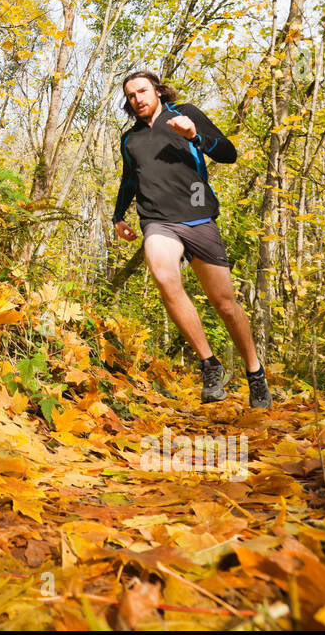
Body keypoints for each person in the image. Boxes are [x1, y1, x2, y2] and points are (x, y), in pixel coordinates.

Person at [111, 69, 272, 408]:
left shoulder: (187, 115)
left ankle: (255, 372)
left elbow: (228, 154)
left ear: (157, 90)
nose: (137, 99)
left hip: (199, 217)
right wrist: (118, 216)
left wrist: (196, 136)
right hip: (158, 221)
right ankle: (210, 365)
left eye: (142, 91)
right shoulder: (130, 140)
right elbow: (129, 180)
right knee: (163, 274)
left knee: (225, 305)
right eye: (130, 96)